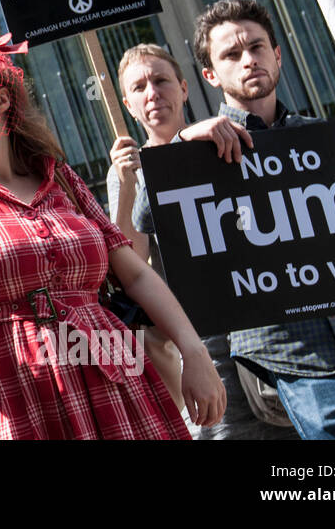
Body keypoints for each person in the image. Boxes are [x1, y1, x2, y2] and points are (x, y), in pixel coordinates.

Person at [0, 34, 225, 440]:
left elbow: (136, 275)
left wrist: (194, 352)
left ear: (2, 99)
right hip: (16, 390)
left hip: (112, 377)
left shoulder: (61, 179)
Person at [134, 0, 335, 440]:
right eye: (231, 54)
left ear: (278, 54)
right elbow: (144, 218)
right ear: (210, 75)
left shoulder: (323, 136)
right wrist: (178, 147)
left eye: (257, 47)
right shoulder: (197, 150)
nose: (249, 60)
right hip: (293, 357)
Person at [108, 43, 299, 440]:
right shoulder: (125, 170)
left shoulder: (220, 140)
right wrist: (126, 189)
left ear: (183, 88)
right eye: (139, 87)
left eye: (161, 81)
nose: (152, 93)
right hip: (198, 343)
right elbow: (133, 267)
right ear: (127, 104)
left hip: (263, 323)